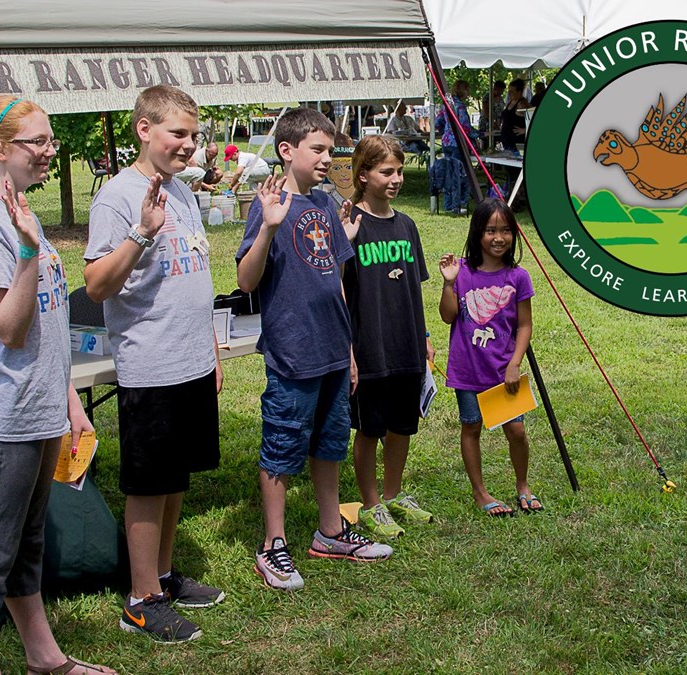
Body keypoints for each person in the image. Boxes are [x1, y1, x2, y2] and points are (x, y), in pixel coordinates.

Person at [0, 95, 115, 675]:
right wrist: (24, 252)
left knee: (27, 543)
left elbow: (49, 324)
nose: (48, 153)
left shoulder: (20, 212)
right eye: (36, 143)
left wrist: (70, 402)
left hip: (42, 409)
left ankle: (46, 660)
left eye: (50, 142)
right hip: (8, 415)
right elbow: (11, 330)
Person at [84, 85, 225, 644]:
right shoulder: (118, 198)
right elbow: (96, 284)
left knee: (175, 477)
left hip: (190, 359)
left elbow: (193, 279)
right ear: (145, 130)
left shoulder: (184, 193)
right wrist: (141, 233)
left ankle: (162, 578)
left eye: (193, 135)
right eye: (178, 134)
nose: (189, 146)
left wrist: (209, 348)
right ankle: (140, 600)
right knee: (148, 483)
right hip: (151, 364)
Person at [236, 107, 393, 593]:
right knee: (283, 443)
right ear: (287, 151)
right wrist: (266, 227)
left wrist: (347, 349)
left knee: (329, 443)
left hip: (331, 349)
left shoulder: (327, 205)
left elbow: (336, 281)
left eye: (331, 149)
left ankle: (330, 531)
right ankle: (273, 545)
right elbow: (245, 281)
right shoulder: (268, 206)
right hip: (293, 350)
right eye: (318, 149)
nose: (329, 158)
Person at [341, 135, 436, 539]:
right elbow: (339, 289)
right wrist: (349, 351)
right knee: (369, 429)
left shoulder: (407, 225)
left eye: (399, 171)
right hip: (369, 347)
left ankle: (394, 494)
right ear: (363, 175)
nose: (396, 179)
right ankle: (370, 503)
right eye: (387, 172)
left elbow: (414, 285)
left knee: (402, 425)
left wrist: (425, 335)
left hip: (406, 343)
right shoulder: (351, 227)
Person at [438, 199, 540, 518]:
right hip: (467, 370)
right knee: (471, 427)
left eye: (506, 230)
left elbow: (525, 325)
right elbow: (447, 316)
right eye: (491, 230)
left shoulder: (518, 276)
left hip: (502, 370)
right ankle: (480, 492)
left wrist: (515, 363)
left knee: (517, 431)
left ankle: (522, 485)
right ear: (477, 232)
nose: (499, 237)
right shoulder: (463, 272)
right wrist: (449, 282)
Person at [434, 80, 479, 215]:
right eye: (467, 89)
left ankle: (448, 204)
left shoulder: (446, 105)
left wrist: (446, 131)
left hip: (446, 142)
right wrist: (480, 134)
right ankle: (457, 205)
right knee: (458, 175)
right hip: (457, 144)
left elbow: (437, 123)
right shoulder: (460, 107)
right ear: (463, 90)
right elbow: (465, 128)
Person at [499, 79, 531, 152]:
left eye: (512, 92)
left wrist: (525, 130)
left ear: (519, 92)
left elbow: (534, 117)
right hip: (507, 141)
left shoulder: (522, 104)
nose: (509, 94)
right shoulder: (511, 102)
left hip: (516, 142)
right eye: (509, 91)